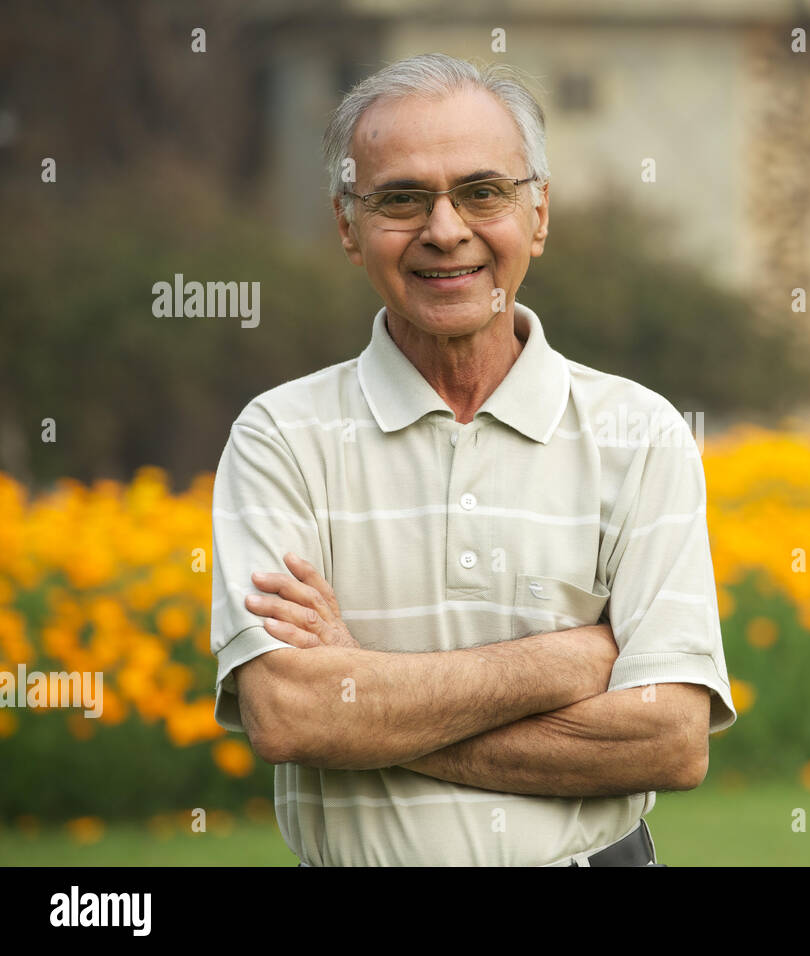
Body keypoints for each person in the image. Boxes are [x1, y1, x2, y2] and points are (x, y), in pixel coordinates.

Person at [208, 53, 736, 866]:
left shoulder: (643, 433)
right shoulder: (280, 436)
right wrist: (570, 661)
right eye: (401, 199)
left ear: (539, 214)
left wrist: (365, 702)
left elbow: (669, 742)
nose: (445, 229)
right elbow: (290, 717)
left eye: (482, 192)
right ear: (349, 226)